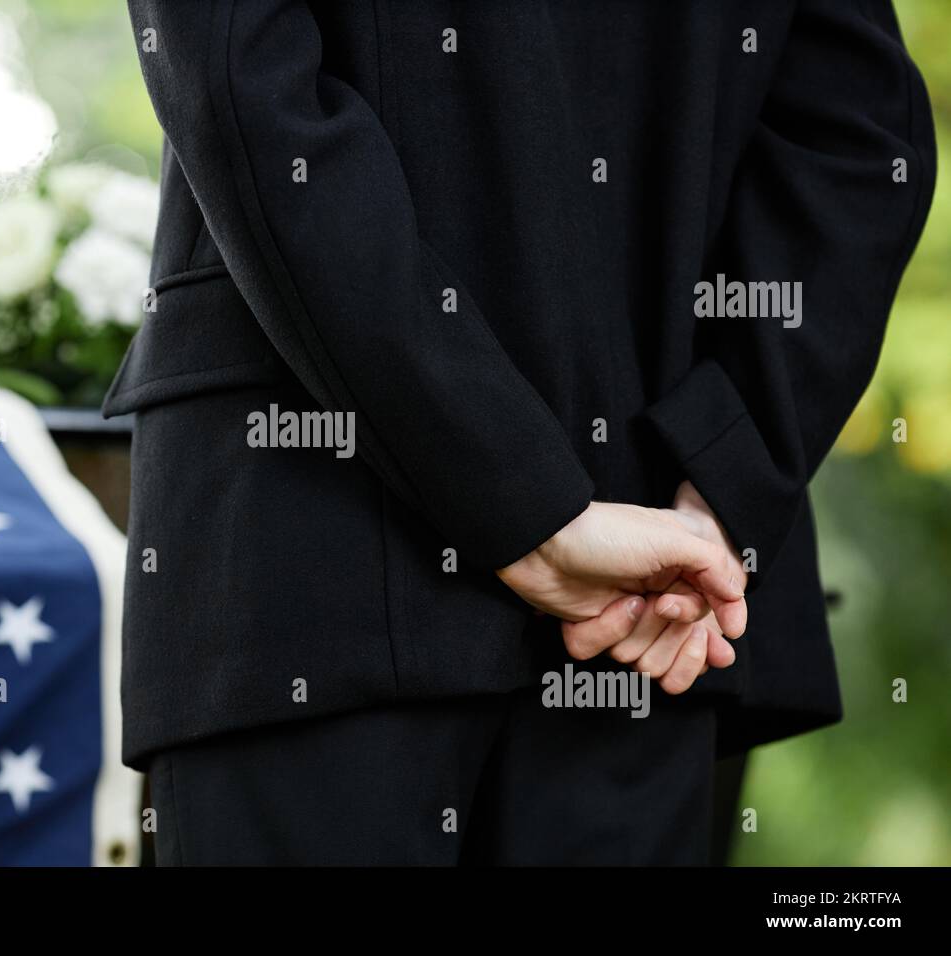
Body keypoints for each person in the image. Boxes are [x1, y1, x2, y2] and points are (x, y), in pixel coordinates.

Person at [103, 0, 935, 864]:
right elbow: (864, 141)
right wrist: (715, 474)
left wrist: (541, 509)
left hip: (313, 548)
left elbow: (241, 80)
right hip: (652, 601)